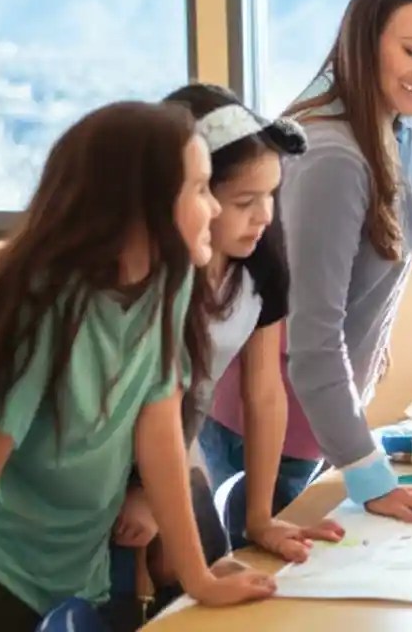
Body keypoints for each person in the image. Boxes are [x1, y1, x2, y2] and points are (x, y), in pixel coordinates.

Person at [0, 102, 275, 631]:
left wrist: (198, 576)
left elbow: (160, 432)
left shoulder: (170, 278)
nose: (213, 208)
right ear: (143, 204)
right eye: (201, 188)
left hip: (80, 569)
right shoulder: (44, 305)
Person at [279, 0, 412, 521]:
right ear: (366, 40)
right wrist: (371, 479)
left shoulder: (399, 121)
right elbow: (311, 341)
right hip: (276, 426)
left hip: (323, 422)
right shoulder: (332, 157)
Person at [160, 83, 343, 560]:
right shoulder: (157, 282)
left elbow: (263, 392)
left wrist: (259, 517)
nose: (264, 216)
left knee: (211, 556)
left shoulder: (258, 269)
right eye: (244, 202)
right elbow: (147, 408)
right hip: (128, 458)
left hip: (176, 447)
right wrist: (143, 493)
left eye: (270, 196)